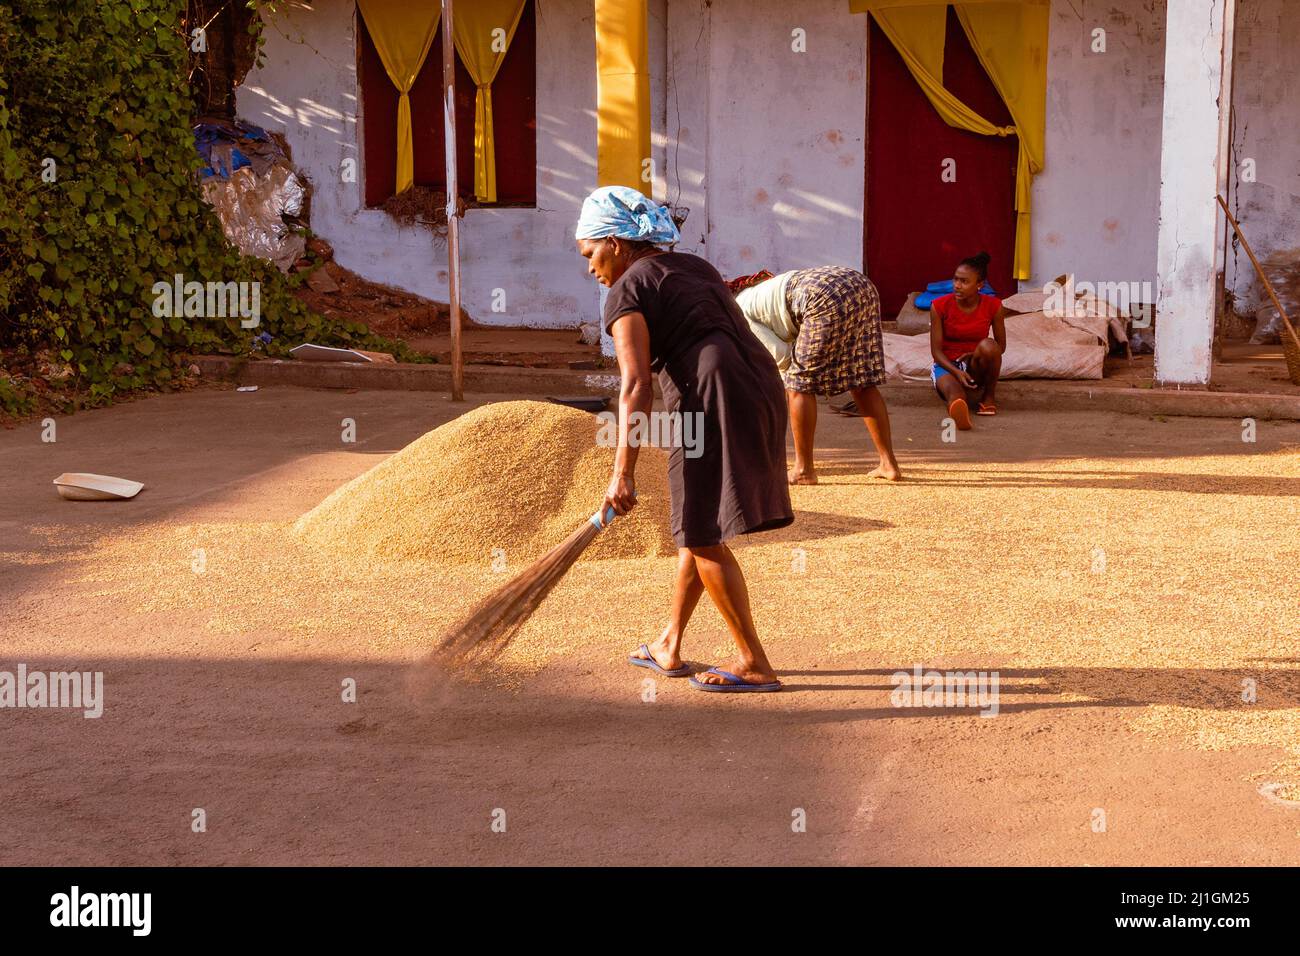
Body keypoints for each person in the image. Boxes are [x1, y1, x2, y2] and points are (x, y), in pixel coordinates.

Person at [576, 186, 793, 693]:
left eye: (590, 253)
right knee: (696, 526)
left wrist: (621, 473)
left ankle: (753, 662)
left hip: (711, 396)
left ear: (615, 243)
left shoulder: (626, 289)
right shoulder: (695, 266)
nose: (590, 267)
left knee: (698, 533)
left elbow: (636, 385)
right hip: (761, 384)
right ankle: (669, 644)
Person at [735, 267, 901, 484]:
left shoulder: (737, 313)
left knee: (798, 383)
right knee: (861, 380)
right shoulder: (757, 293)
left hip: (822, 295)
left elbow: (781, 357)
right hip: (860, 285)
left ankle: (803, 470)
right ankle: (888, 464)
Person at [929, 251, 1007, 429]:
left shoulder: (994, 306)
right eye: (955, 279)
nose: (957, 285)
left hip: (975, 363)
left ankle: (989, 397)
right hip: (946, 365)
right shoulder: (939, 306)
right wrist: (957, 372)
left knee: (989, 345)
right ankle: (959, 411)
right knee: (955, 394)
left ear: (980, 284)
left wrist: (974, 354)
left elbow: (1000, 347)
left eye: (964, 281)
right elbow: (936, 352)